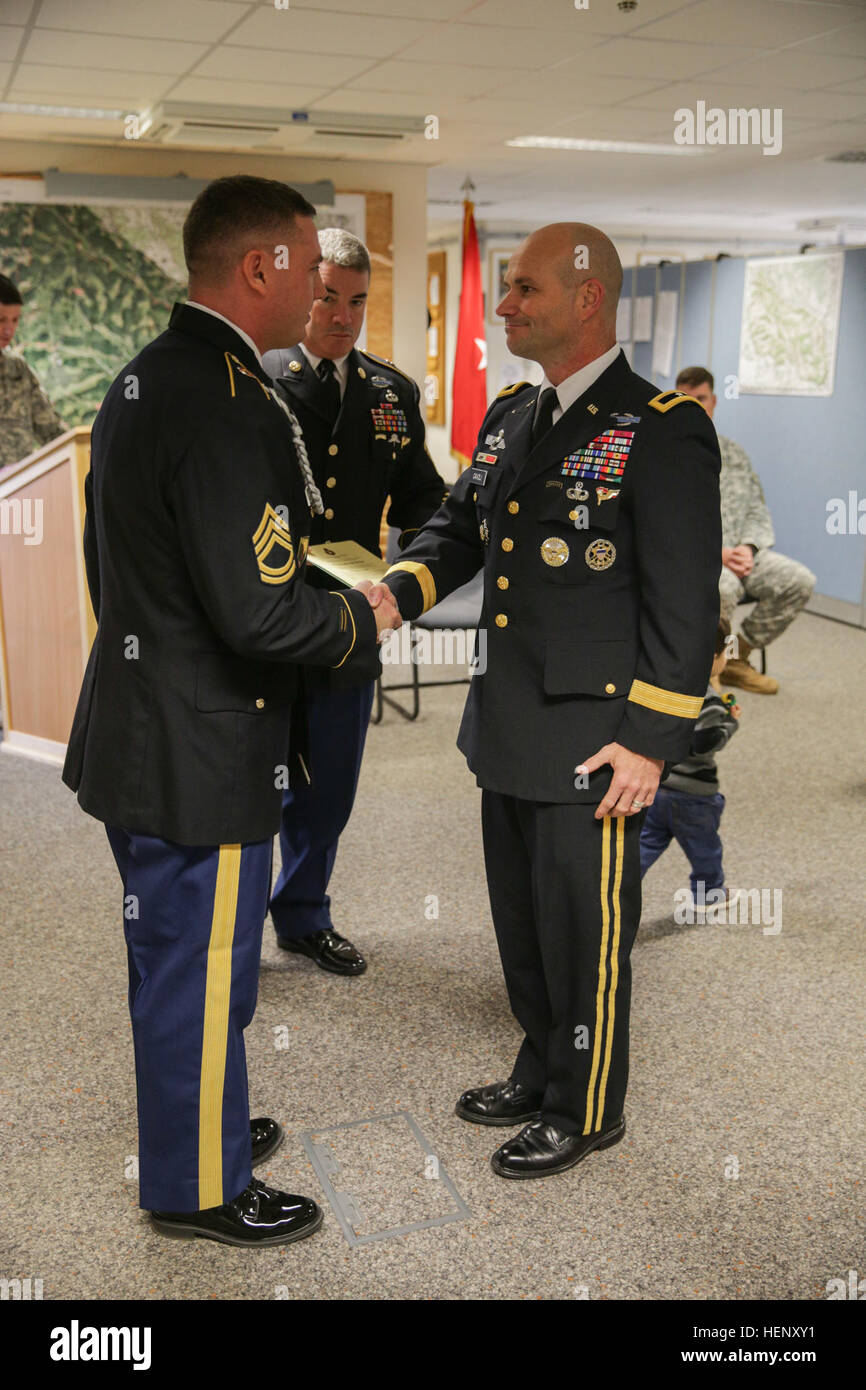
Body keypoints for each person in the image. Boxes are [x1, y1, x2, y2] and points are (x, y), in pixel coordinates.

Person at [61, 176, 399, 1248]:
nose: (318, 288)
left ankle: (196, 1121)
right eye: (307, 266)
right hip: (202, 749)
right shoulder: (225, 397)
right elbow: (258, 612)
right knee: (203, 970)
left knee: (176, 962)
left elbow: (109, 560)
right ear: (259, 267)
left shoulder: (146, 379)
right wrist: (362, 619)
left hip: (146, 726)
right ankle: (196, 1188)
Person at [375, 223, 722, 1180]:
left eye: (523, 288)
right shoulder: (514, 413)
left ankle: (587, 1104)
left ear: (588, 298)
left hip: (601, 734)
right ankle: (541, 1063)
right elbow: (457, 528)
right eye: (508, 288)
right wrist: (395, 591)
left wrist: (652, 741)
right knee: (524, 925)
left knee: (584, 932)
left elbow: (685, 605)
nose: (504, 303)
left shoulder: (662, 425)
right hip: (512, 722)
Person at [262, 229, 446, 977]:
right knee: (255, 785)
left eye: (358, 300)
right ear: (305, 291)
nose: (342, 314)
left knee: (329, 785)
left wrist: (408, 581)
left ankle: (304, 915)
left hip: (349, 620)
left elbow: (426, 507)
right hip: (267, 616)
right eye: (328, 295)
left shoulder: (391, 393)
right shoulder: (260, 375)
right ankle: (237, 933)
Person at [675, 366, 816, 695]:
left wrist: (749, 548)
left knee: (799, 580)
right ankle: (707, 670)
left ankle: (737, 658)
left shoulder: (734, 453)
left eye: (701, 399)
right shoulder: (663, 454)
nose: (695, 406)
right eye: (685, 400)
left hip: (742, 555)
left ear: (714, 401)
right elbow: (664, 524)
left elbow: (756, 508)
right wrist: (716, 554)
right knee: (721, 589)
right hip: (698, 559)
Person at [639, 617, 741, 912]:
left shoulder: (668, 686)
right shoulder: (710, 702)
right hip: (694, 796)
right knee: (705, 847)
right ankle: (709, 893)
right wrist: (730, 722)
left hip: (659, 786)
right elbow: (704, 744)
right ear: (712, 658)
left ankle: (620, 885)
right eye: (725, 654)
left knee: (646, 843)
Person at [0, 273, 66, 470]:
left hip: (20, 491)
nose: (8, 330)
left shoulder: (18, 369)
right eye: (1, 319)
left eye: (15, 320)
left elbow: (51, 432)